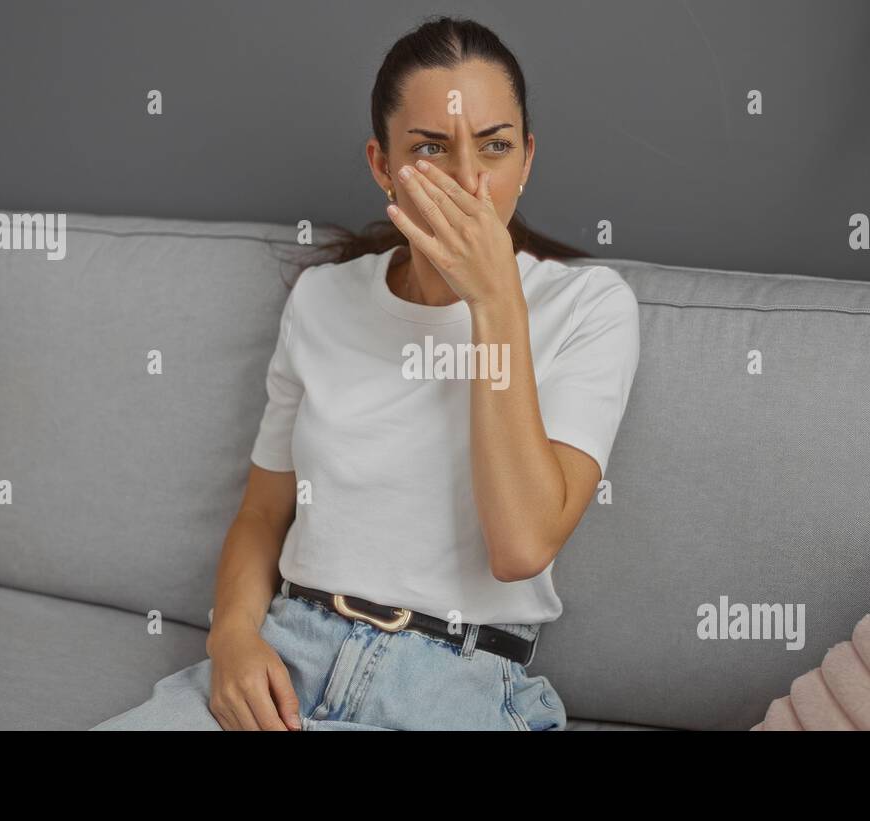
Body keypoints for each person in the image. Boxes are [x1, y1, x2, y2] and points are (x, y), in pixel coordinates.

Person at [92, 15, 640, 732]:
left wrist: (493, 300)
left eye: (495, 146)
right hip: (290, 656)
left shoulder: (589, 307)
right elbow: (262, 514)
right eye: (431, 150)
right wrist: (231, 638)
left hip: (452, 686)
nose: (470, 182)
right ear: (383, 165)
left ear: (527, 158)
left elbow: (522, 546)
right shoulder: (323, 300)